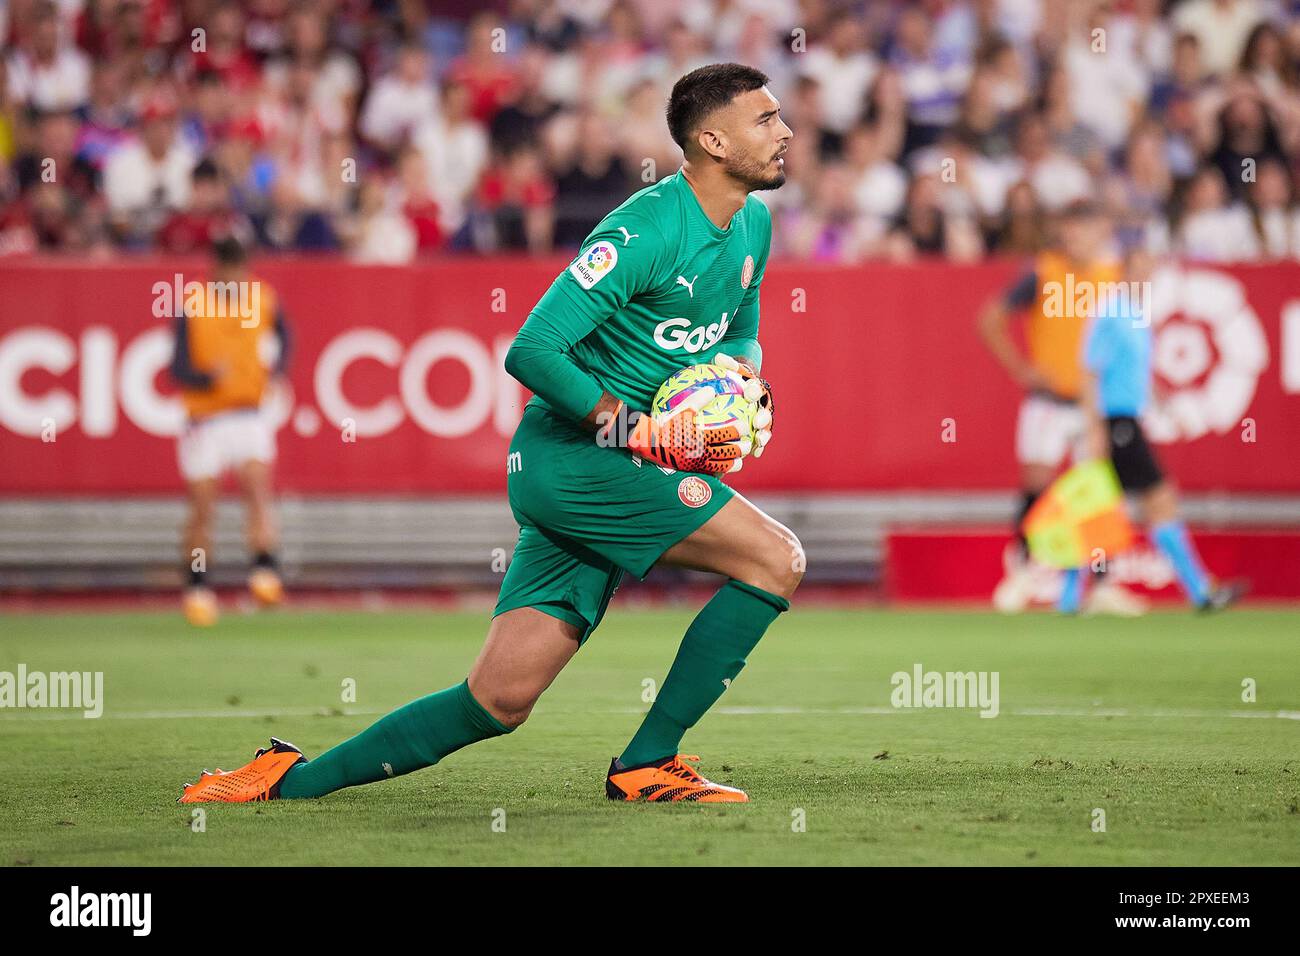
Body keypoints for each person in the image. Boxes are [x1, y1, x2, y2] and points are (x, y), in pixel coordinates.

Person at [179, 63, 796, 805]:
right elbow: (532, 350)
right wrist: (637, 429)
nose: (785, 131)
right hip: (578, 460)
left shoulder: (754, 223)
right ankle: (648, 763)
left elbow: (744, 326)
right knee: (775, 559)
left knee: (498, 700)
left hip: (609, 471)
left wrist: (743, 382)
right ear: (713, 140)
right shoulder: (645, 230)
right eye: (765, 120)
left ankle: (287, 780)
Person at [979, 198, 1146, 615]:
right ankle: (1022, 573)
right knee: (1037, 487)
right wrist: (1022, 368)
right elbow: (990, 317)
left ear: (1100, 232)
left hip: (1094, 406)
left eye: (1085, 229)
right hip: (1049, 401)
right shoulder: (1044, 271)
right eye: (1070, 229)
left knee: (1098, 494)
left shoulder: (1113, 277)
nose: (1076, 238)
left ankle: (1102, 581)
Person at [1058, 250, 1246, 613]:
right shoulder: (1111, 312)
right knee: (1158, 499)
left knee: (1098, 506)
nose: (1147, 277)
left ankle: (1067, 597)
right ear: (1125, 270)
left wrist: (1165, 405)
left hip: (1128, 419)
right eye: (1141, 269)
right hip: (1116, 422)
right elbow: (1089, 374)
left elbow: (1136, 373)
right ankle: (1199, 590)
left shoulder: (1134, 315)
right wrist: (1094, 428)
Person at [170, 236, 290, 626]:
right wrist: (206, 379)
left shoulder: (262, 299)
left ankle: (264, 572)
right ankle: (198, 587)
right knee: (204, 506)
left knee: (257, 489)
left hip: (248, 414)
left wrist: (276, 371)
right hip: (205, 419)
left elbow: (286, 338)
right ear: (216, 268)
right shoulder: (194, 305)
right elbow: (177, 367)